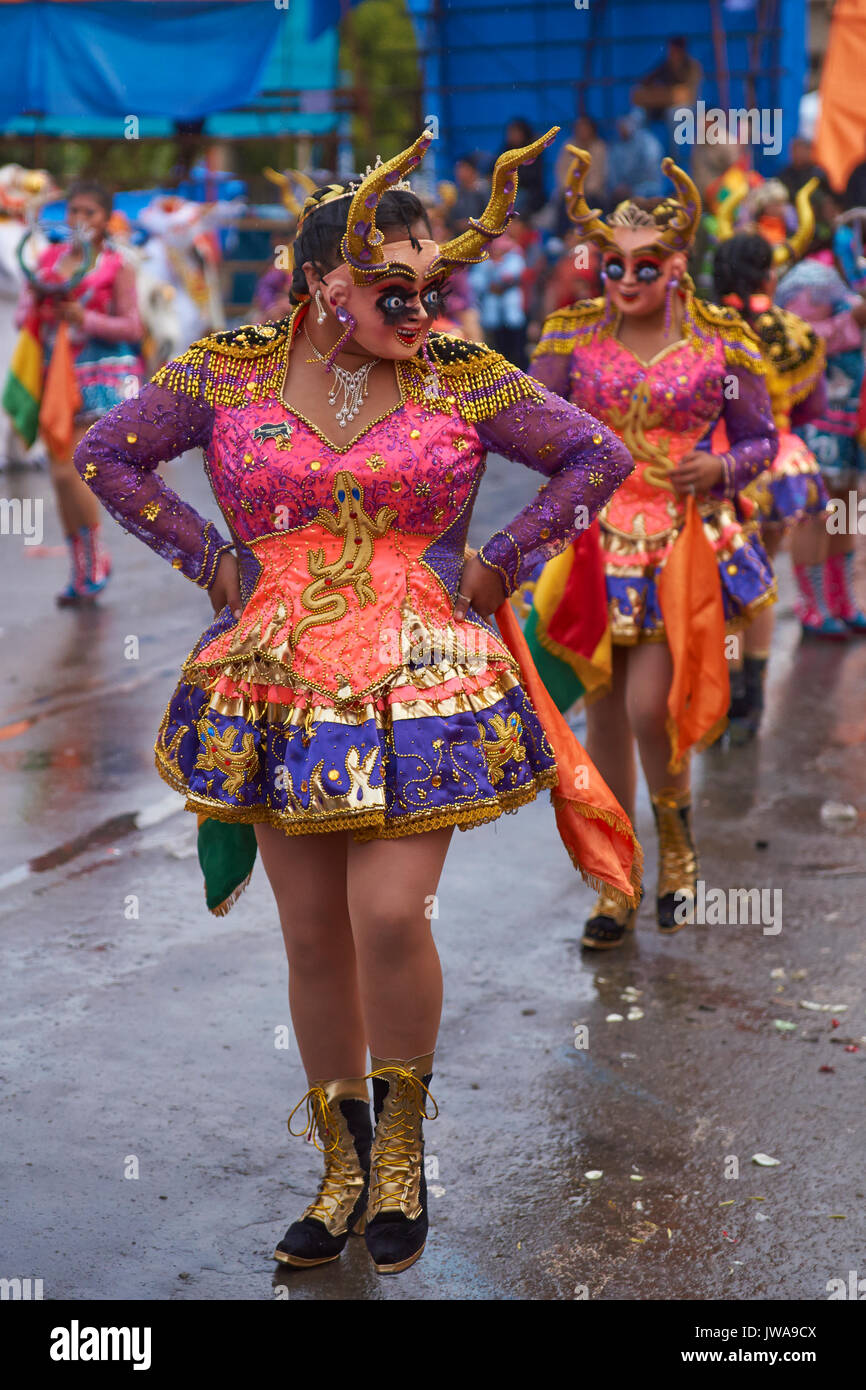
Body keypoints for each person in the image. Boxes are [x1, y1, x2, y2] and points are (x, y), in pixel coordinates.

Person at [73, 130, 638, 1276]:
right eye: (394, 287)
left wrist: (501, 560)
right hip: (276, 683)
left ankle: (401, 1154)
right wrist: (211, 560)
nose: (421, 305)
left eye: (435, 285)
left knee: (389, 914)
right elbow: (109, 455)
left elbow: (594, 457)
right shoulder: (230, 368)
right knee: (311, 929)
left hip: (421, 680)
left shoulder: (459, 373)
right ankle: (339, 1163)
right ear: (318, 283)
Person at [527, 147, 778, 949]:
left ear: (678, 265)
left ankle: (677, 848)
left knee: (649, 709)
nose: (626, 280)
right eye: (611, 265)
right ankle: (614, 879)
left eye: (645, 264)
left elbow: (761, 437)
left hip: (681, 541)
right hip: (596, 541)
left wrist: (722, 465)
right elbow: (532, 428)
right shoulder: (571, 335)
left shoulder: (723, 341)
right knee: (602, 710)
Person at [711, 231, 829, 735]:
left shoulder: (698, 330)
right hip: (778, 467)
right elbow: (815, 407)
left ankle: (731, 689)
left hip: (716, 468)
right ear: (770, 276)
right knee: (760, 575)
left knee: (721, 584)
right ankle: (754, 693)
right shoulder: (796, 334)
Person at [14, 179, 143, 604]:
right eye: (74, 211)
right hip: (56, 376)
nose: (80, 220)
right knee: (58, 477)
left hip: (101, 378)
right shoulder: (48, 260)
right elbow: (21, 319)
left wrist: (84, 318)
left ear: (107, 219)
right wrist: (36, 302)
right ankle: (82, 567)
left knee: (73, 470)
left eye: (90, 212)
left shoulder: (117, 264)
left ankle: (95, 559)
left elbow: (133, 326)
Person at [775, 183, 866, 636]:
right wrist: (852, 319)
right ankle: (813, 607)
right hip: (820, 410)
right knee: (817, 505)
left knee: (849, 504)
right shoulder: (812, 278)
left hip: (856, 415)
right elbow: (795, 340)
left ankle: (843, 600)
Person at [607, 110, 665, 201]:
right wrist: (618, 187)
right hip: (623, 194)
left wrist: (634, 190)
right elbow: (612, 174)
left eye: (625, 124)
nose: (622, 128)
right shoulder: (617, 147)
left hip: (647, 190)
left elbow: (651, 173)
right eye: (620, 125)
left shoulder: (649, 143)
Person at [502, 118, 546, 217]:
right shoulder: (506, 149)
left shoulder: (533, 150)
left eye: (515, 132)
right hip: (508, 190)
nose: (512, 136)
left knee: (515, 199)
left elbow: (532, 176)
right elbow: (493, 169)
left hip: (529, 192)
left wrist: (511, 178)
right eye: (510, 133)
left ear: (523, 133)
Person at [447, 154, 488, 235]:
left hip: (479, 236)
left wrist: (470, 223)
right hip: (457, 237)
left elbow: (490, 218)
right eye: (458, 169)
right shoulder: (456, 193)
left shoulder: (482, 192)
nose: (459, 172)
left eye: (464, 169)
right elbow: (450, 220)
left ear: (473, 171)